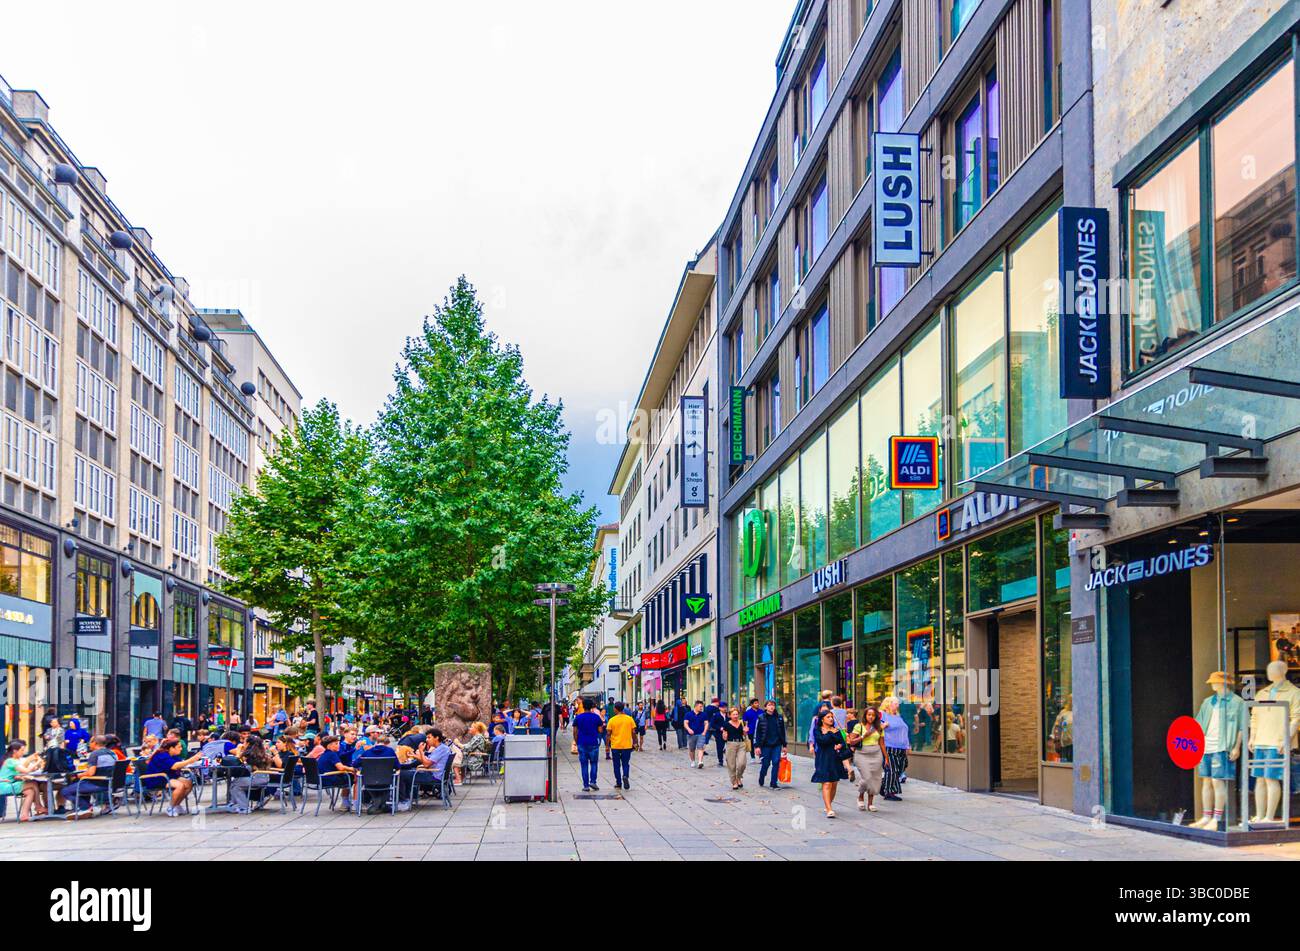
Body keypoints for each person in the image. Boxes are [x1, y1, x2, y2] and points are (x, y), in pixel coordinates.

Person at [226, 734, 279, 813]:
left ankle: (244, 808)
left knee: (236, 785)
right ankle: (234, 804)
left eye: (244, 742)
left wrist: (238, 750)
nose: (243, 744)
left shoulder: (248, 754)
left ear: (248, 744)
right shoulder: (261, 752)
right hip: (264, 778)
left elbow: (235, 762)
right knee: (235, 782)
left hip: (255, 778)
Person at [847, 705, 885, 812]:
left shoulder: (879, 728)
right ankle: (860, 796)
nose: (871, 717)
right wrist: (864, 736)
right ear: (865, 715)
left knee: (874, 779)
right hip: (862, 754)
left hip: (876, 754)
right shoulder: (859, 726)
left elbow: (882, 744)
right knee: (867, 777)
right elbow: (851, 741)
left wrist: (886, 758)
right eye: (869, 715)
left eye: (873, 715)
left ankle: (870, 803)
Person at [811, 709, 848, 818]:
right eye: (828, 717)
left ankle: (828, 804)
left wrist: (840, 745)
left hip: (835, 758)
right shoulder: (817, 730)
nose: (831, 719)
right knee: (826, 783)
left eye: (831, 717)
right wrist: (832, 734)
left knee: (834, 783)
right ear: (822, 719)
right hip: (823, 758)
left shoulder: (836, 730)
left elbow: (842, 742)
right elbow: (822, 741)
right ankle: (829, 809)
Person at [1, 740, 44, 820]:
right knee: (33, 783)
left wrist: (31, 761)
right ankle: (38, 806)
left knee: (30, 791)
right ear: (15, 751)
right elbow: (26, 771)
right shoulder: (11, 761)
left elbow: (21, 770)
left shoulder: (13, 760)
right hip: (5, 785)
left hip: (10, 783)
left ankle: (24, 815)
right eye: (22, 750)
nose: (23, 752)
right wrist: (38, 762)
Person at [880, 696, 910, 802]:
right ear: (888, 704)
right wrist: (883, 726)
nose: (898, 705)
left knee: (901, 768)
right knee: (892, 770)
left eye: (898, 703)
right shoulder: (882, 714)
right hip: (889, 746)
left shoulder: (898, 716)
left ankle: (884, 785)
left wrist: (907, 746)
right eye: (895, 703)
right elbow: (875, 728)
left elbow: (904, 731)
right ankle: (889, 792)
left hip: (901, 747)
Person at [753, 700, 788, 790]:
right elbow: (757, 733)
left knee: (776, 762)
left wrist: (784, 745)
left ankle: (773, 783)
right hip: (765, 745)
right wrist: (757, 746)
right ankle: (762, 776)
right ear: (765, 707)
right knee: (766, 763)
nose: (771, 707)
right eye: (769, 705)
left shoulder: (779, 718)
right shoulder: (761, 718)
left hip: (777, 744)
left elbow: (783, 732)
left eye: (773, 705)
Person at [572, 697, 604, 791]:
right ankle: (593, 781)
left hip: (582, 742)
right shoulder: (596, 717)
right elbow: (600, 729)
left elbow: (575, 731)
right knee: (594, 763)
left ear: (583, 706)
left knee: (584, 764)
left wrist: (576, 741)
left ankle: (586, 785)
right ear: (591, 707)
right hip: (593, 742)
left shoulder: (578, 717)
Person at [606, 701, 636, 791]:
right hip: (626, 745)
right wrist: (635, 742)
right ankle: (625, 776)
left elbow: (608, 734)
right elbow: (633, 732)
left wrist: (607, 745)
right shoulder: (629, 719)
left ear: (615, 709)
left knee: (616, 765)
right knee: (625, 763)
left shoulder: (612, 720)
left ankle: (618, 783)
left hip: (615, 746)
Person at [721, 706, 749, 790]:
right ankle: (734, 782)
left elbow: (744, 735)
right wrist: (724, 735)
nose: (736, 716)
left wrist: (745, 731)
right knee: (731, 765)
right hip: (731, 744)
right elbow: (724, 738)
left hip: (741, 744)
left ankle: (739, 777)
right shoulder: (726, 724)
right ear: (730, 715)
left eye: (737, 714)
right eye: (734, 714)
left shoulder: (741, 723)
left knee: (742, 764)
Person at [684, 700, 709, 768]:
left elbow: (706, 723)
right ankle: (692, 761)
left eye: (702, 707)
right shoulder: (688, 714)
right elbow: (685, 723)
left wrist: (704, 732)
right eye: (700, 706)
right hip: (691, 735)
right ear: (696, 706)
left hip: (701, 734)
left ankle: (700, 762)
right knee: (692, 749)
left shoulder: (704, 714)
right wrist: (689, 729)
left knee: (700, 747)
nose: (701, 708)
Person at [708, 700, 729, 767]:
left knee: (730, 747)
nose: (725, 708)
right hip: (719, 734)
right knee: (720, 748)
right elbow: (712, 724)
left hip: (728, 733)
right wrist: (719, 728)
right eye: (723, 707)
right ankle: (720, 761)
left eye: (725, 707)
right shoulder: (716, 715)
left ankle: (729, 760)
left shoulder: (729, 715)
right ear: (719, 708)